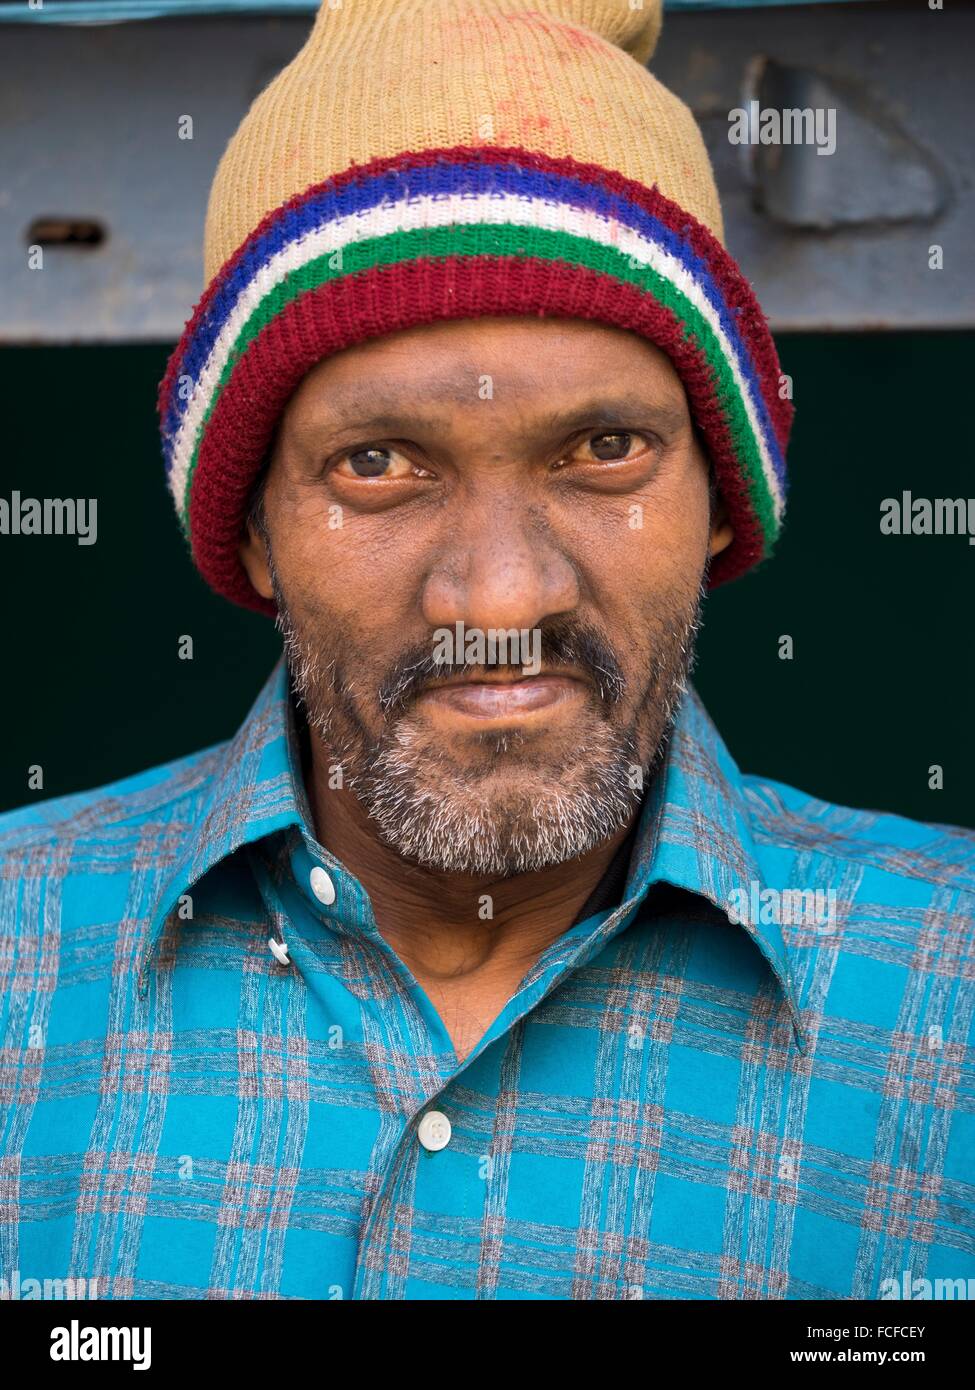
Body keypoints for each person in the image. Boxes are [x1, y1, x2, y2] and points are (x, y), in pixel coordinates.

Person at [1, 0, 972, 1302]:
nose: (500, 594)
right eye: (381, 464)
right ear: (253, 531)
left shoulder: (950, 998)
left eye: (602, 450)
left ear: (724, 500)